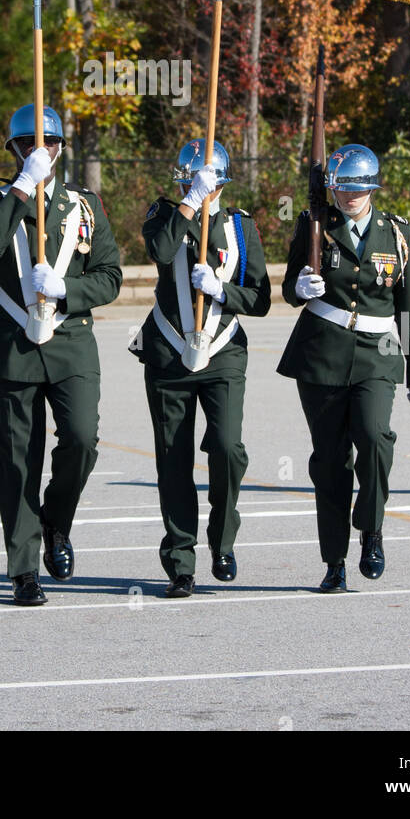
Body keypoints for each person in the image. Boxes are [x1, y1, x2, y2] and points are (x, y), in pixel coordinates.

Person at [0, 104, 122, 606]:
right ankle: (23, 569)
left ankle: (57, 521)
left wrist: (67, 288)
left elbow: (110, 276)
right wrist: (21, 187)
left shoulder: (85, 205)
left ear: (60, 147)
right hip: (9, 341)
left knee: (81, 441)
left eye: (49, 143)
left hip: (70, 339)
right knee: (15, 459)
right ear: (13, 148)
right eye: (30, 143)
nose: (41, 151)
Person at [279, 143, 410, 592]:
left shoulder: (396, 233)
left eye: (357, 189)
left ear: (372, 188)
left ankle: (372, 527)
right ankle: (334, 561)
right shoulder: (314, 224)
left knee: (376, 439)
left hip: (377, 354)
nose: (348, 198)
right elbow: (288, 288)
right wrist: (300, 287)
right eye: (341, 189)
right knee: (330, 462)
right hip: (322, 352)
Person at [132, 140, 271, 598]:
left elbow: (261, 299)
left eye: (204, 183)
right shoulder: (164, 214)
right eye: (186, 182)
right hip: (169, 350)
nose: (193, 187)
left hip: (223, 351)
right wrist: (191, 203)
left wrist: (221, 291)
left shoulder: (239, 225)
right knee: (173, 459)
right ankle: (180, 561)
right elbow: (160, 248)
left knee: (228, 448)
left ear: (222, 183)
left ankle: (223, 539)